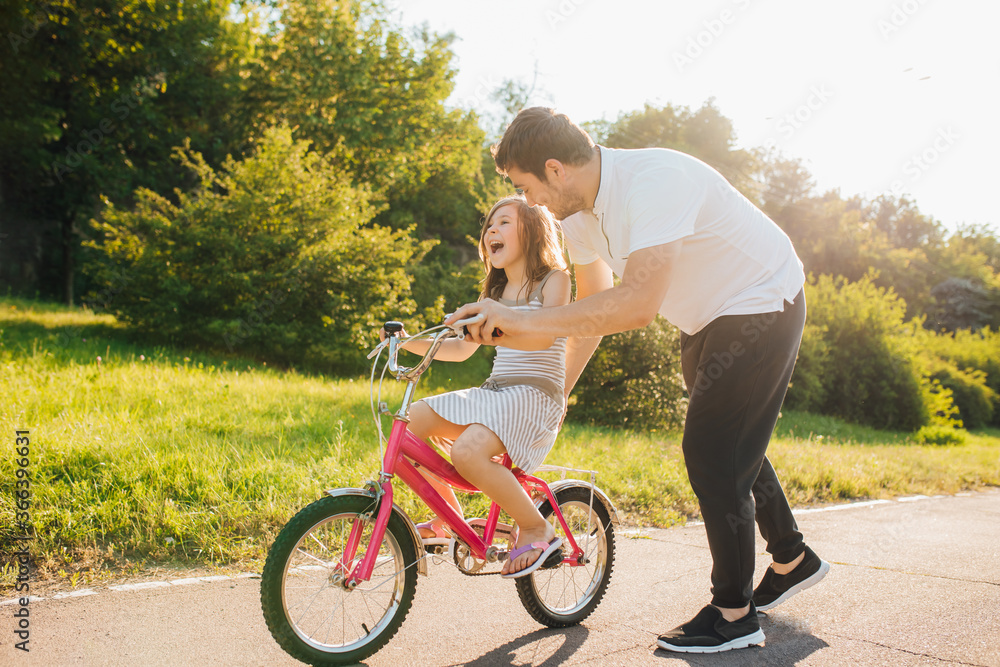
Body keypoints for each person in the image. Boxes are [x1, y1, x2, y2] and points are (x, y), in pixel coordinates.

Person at [446, 107, 830, 652]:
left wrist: (524, 319)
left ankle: (734, 616)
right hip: (705, 318)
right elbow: (595, 310)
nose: (528, 203)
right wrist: (558, 388)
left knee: (712, 451)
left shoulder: (654, 183)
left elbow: (635, 305)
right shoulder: (577, 218)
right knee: (733, 440)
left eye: (526, 188)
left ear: (555, 169)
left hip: (763, 298)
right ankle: (791, 557)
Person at [386, 194, 572, 578]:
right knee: (411, 421)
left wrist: (494, 331)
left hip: (536, 394)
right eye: (489, 225)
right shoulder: (495, 291)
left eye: (504, 222)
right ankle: (447, 520)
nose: (492, 230)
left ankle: (537, 526)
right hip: (498, 391)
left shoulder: (555, 281)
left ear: (532, 231)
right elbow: (459, 350)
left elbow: (544, 338)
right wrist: (407, 342)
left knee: (469, 451)